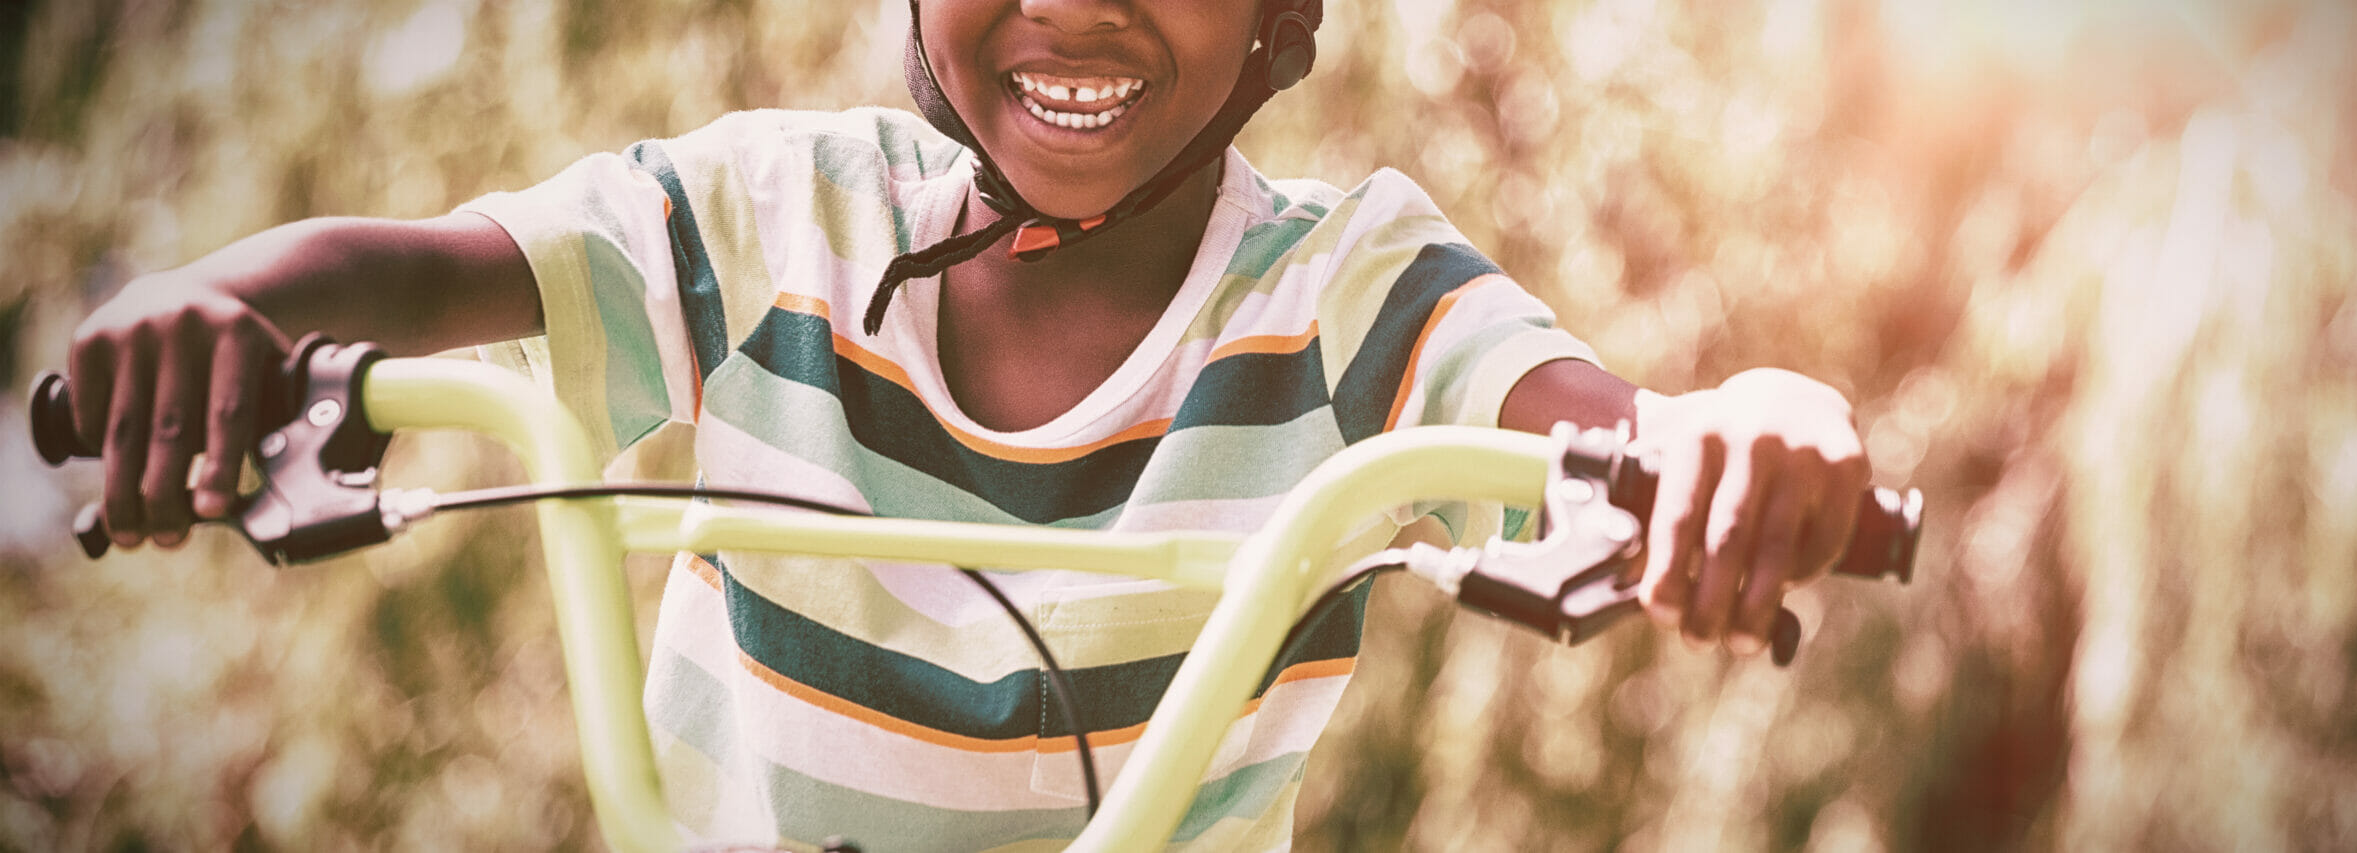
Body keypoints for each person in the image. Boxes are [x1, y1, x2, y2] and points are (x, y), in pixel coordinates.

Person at [59, 0, 1871, 848]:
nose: (1070, 3)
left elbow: (1594, 421)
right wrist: (211, 311)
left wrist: (1754, 435)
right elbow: (436, 272)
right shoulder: (775, 224)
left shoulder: (1346, 295)